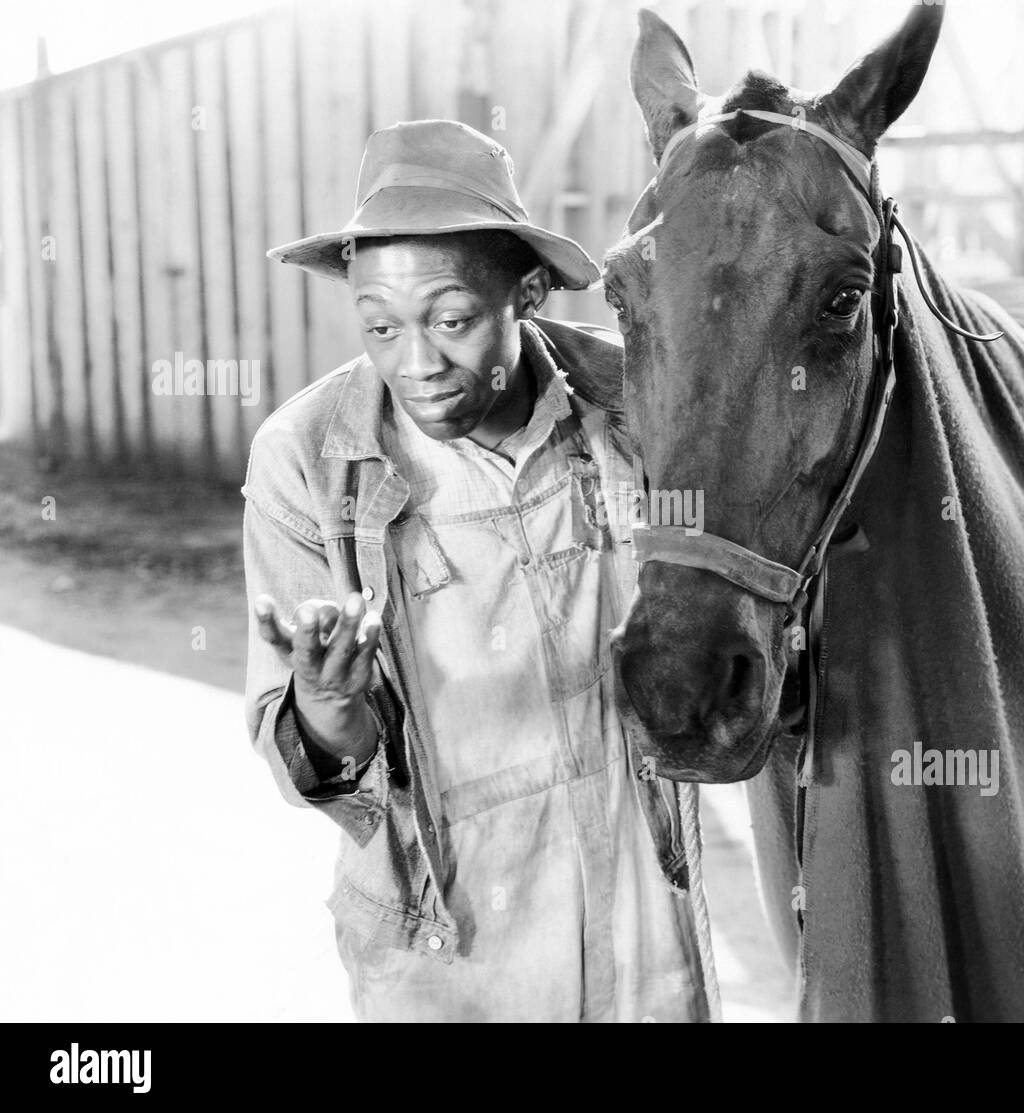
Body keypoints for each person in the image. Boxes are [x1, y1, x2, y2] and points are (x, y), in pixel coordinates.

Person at [242, 119, 715, 1021]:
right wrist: (327, 702)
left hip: (640, 932)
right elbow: (323, 766)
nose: (416, 363)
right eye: (379, 325)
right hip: (443, 957)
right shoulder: (307, 460)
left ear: (528, 291)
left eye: (451, 319)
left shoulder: (633, 409)